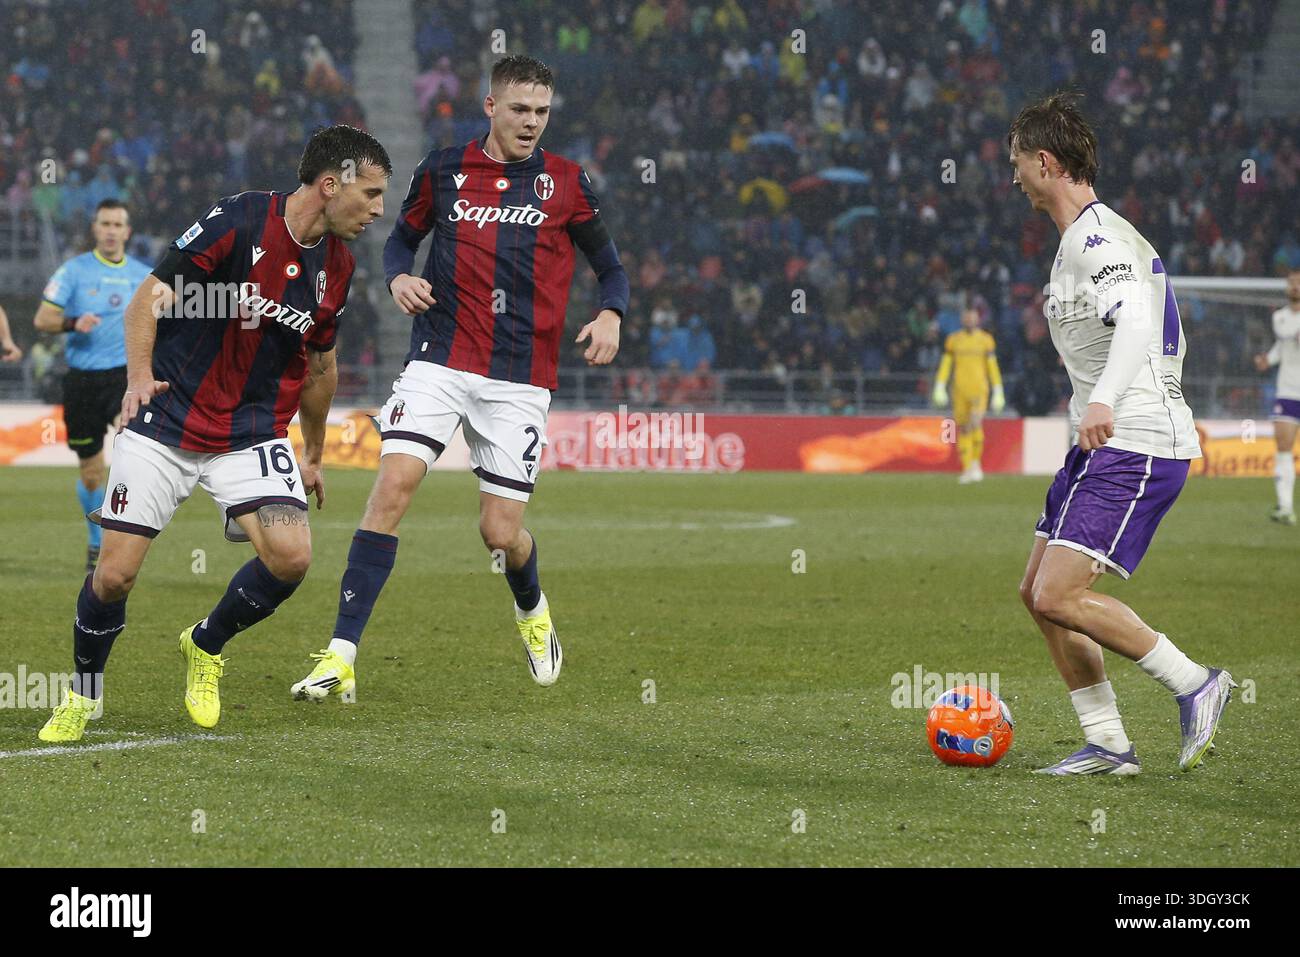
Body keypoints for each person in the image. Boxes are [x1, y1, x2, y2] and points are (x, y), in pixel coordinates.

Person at [37, 125, 391, 743]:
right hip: (167, 417)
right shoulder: (241, 218)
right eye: (373, 193)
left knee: (291, 558)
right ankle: (83, 694)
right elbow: (148, 298)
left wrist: (312, 451)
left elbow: (320, 366)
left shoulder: (337, 267)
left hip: (251, 432)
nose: (379, 209)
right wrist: (140, 376)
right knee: (114, 576)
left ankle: (205, 645)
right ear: (332, 185)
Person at [291, 55, 628, 700]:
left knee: (499, 533)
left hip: (520, 380)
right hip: (440, 361)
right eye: (521, 109)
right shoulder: (442, 170)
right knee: (390, 491)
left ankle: (533, 613)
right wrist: (398, 276)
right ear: (491, 107)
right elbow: (398, 242)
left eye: (543, 112)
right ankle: (341, 652)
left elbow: (609, 268)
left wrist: (611, 312)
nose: (532, 123)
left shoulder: (567, 183)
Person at [1009, 93, 1233, 775]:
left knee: (1057, 593)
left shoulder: (1094, 238)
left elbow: (1135, 320)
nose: (1014, 175)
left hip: (1135, 436)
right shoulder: (1095, 236)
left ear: (1046, 162)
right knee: (1036, 591)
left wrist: (1102, 399)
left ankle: (1195, 681)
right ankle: (1106, 742)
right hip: (1103, 439)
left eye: (1017, 161)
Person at [33, 200, 152, 571]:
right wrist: (71, 323)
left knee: (132, 451)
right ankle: (95, 541)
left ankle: (126, 536)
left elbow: (172, 312)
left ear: (127, 231)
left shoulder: (145, 275)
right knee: (90, 471)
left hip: (123, 377)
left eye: (118, 224)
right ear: (96, 229)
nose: (112, 230)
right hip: (82, 381)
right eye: (105, 223)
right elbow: (43, 318)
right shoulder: (73, 271)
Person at [931, 306, 1004, 483]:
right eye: (966, 318)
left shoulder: (986, 340)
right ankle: (967, 469)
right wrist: (940, 385)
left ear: (977, 319)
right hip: (959, 391)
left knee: (975, 423)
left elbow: (992, 367)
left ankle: (975, 464)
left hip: (979, 389)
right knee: (963, 428)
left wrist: (998, 390)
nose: (969, 321)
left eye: (972, 318)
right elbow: (946, 364)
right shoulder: (953, 340)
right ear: (962, 319)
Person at [1252, 267, 1300, 524]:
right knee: (1283, 448)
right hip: (1289, 391)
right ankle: (1285, 507)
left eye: (1298, 283)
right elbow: (1282, 348)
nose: (1294, 287)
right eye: (1291, 282)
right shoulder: (1280, 317)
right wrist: (1267, 360)